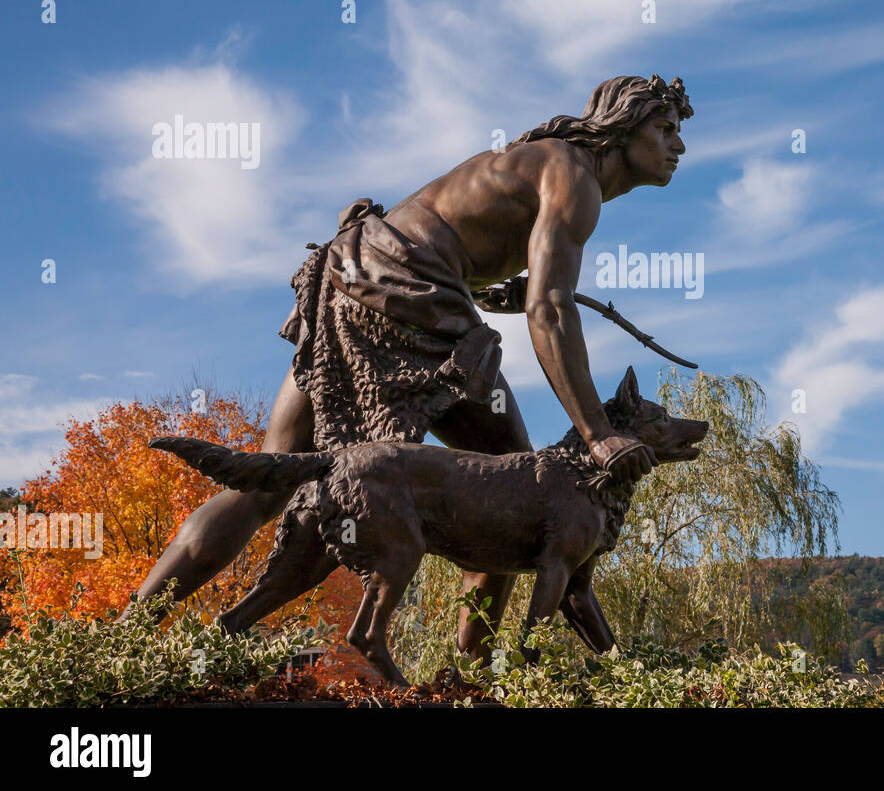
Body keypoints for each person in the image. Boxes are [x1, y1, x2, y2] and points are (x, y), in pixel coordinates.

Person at [129, 74, 693, 659]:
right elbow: (548, 309)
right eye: (666, 128)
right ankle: (476, 678)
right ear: (622, 126)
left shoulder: (542, 163)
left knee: (273, 478)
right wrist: (597, 434)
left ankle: (122, 640)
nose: (678, 145)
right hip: (408, 304)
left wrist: (486, 286)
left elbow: (453, 239)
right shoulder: (575, 178)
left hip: (351, 281)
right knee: (510, 485)